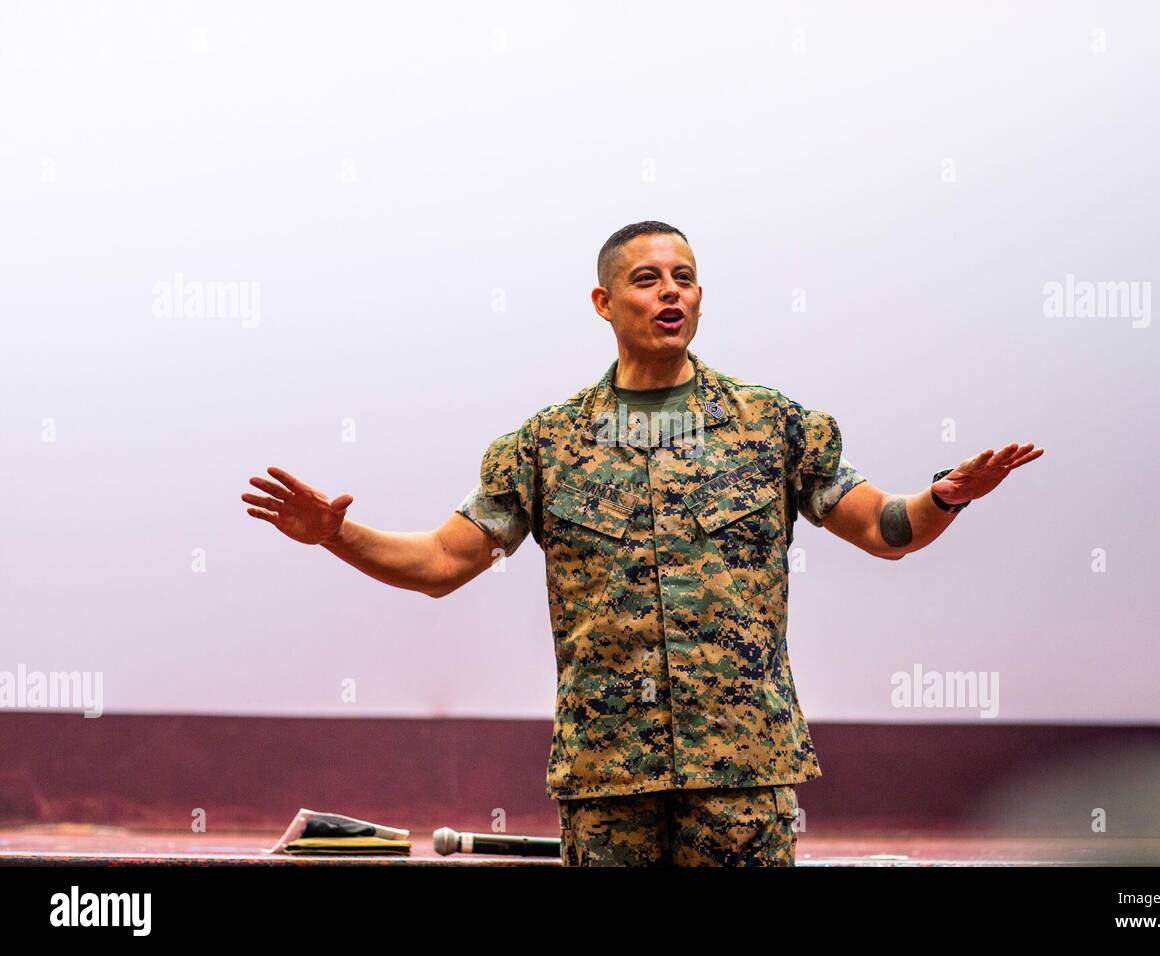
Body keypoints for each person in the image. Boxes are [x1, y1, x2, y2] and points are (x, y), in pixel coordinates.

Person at [242, 220, 1044, 866]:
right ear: (603, 301)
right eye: (648, 278)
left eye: (685, 278)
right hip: (608, 776)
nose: (671, 292)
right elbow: (443, 564)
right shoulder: (547, 445)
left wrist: (943, 497)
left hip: (742, 771)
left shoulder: (774, 427)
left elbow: (885, 529)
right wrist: (337, 535)